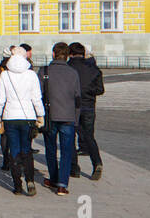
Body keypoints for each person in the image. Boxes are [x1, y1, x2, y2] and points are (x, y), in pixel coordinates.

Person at [0, 46, 43, 196]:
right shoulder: (31, 74)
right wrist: (40, 115)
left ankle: (17, 185)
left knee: (13, 150)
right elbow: (36, 98)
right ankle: (30, 180)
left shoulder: (5, 75)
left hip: (10, 117)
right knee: (26, 149)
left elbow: (0, 99)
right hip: (28, 117)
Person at [40, 42, 82, 195]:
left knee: (50, 149)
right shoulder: (73, 73)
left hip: (50, 116)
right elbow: (78, 98)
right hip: (68, 117)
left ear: (53, 54)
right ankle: (62, 184)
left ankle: (53, 178)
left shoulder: (45, 71)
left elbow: (39, 95)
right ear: (68, 55)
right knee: (66, 151)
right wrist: (75, 118)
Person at [68, 42, 105, 180]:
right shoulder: (93, 69)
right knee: (89, 136)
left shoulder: (68, 68)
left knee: (71, 137)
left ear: (70, 54)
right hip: (89, 106)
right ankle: (97, 163)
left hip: (72, 107)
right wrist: (88, 92)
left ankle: (74, 167)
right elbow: (100, 90)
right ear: (83, 54)